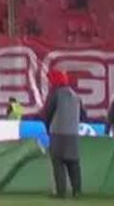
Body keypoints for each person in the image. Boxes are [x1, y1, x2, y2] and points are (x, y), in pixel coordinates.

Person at [41, 70, 83, 198]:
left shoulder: (55, 94)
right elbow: (83, 114)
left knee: (58, 162)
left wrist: (48, 128)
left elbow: (47, 113)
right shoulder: (76, 95)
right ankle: (77, 191)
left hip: (57, 132)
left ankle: (61, 192)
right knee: (73, 163)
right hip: (73, 133)